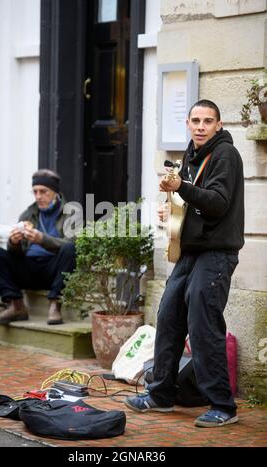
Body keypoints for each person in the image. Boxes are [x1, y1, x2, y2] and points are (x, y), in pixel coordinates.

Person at [125, 100, 244, 428]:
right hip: (190, 252)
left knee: (203, 322)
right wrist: (172, 211)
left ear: (218, 125)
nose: (201, 126)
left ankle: (222, 405)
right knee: (168, 316)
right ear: (188, 124)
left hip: (216, 253)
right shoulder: (191, 157)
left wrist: (182, 189)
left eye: (208, 121)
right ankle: (161, 394)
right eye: (196, 120)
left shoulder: (225, 156)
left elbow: (218, 203)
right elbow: (191, 203)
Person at [0, 169, 77, 325]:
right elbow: (17, 254)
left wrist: (42, 239)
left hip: (54, 271)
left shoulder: (71, 214)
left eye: (43, 191)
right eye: (35, 192)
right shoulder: (28, 214)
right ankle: (16, 305)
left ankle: (55, 305)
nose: (38, 196)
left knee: (71, 248)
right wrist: (14, 242)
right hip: (28, 268)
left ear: (55, 192)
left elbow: (72, 243)